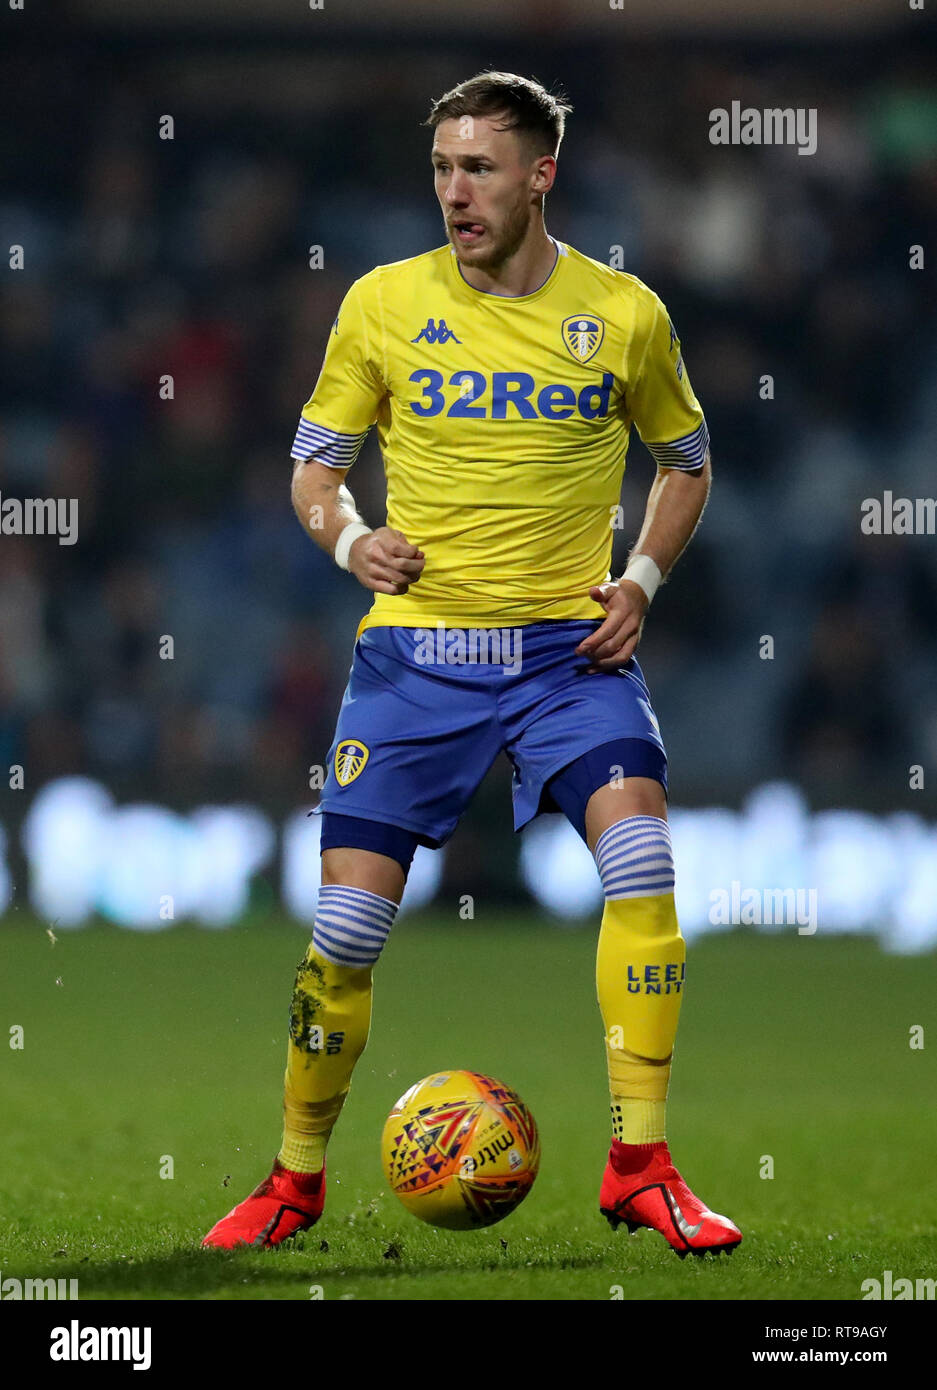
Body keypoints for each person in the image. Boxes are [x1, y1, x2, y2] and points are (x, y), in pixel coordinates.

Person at [203, 70, 741, 1258]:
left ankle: (640, 1165)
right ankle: (293, 1179)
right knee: (343, 935)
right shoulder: (382, 305)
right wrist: (350, 537)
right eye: (442, 167)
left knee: (643, 861)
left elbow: (687, 460)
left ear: (540, 175)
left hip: (568, 652)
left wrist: (639, 582)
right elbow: (312, 474)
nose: (455, 190)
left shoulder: (627, 315)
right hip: (415, 656)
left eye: (480, 167)